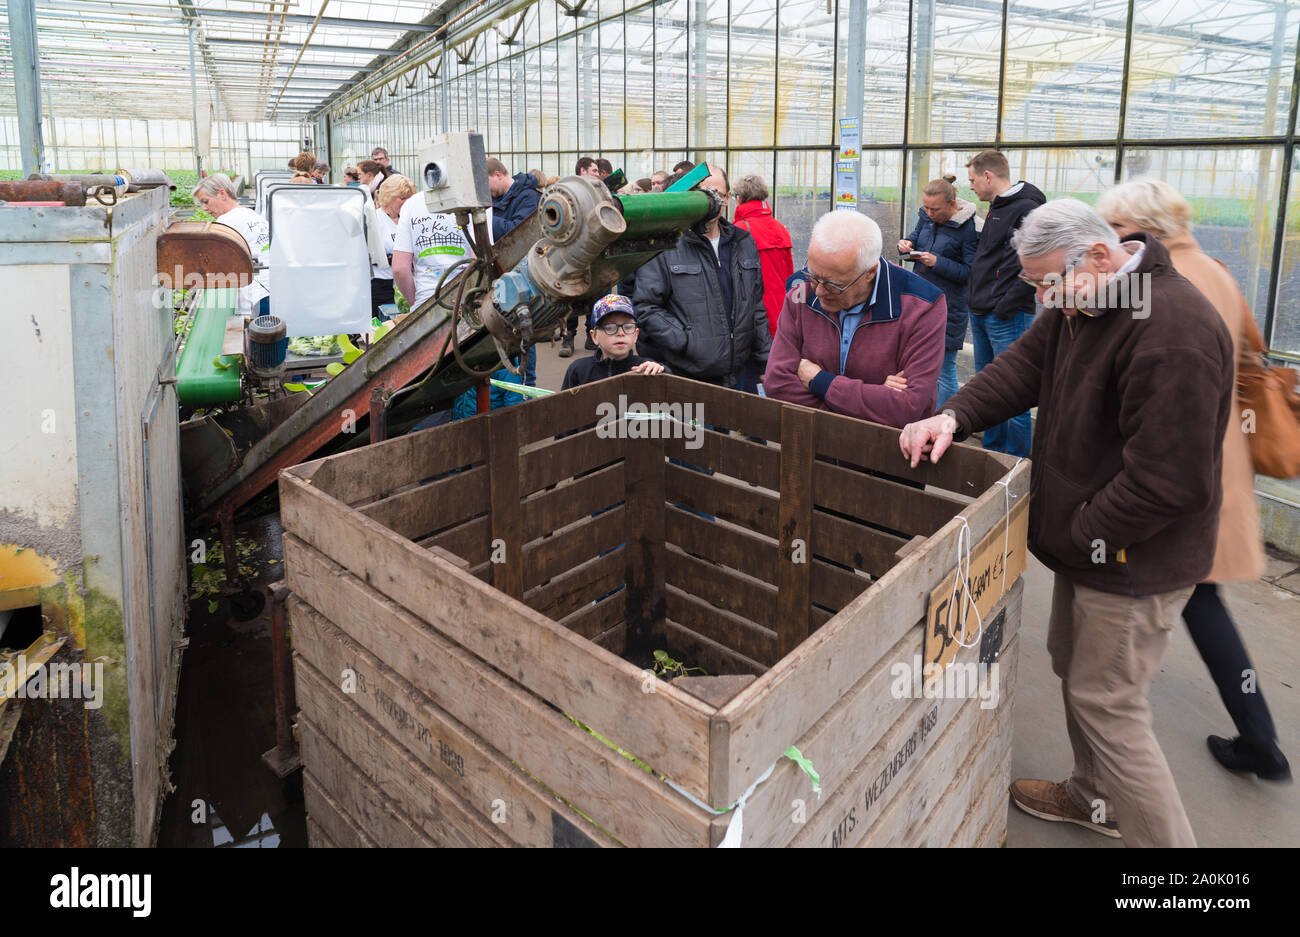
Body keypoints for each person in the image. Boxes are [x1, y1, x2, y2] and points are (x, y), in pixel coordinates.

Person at [899, 198, 1235, 847]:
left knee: (1109, 704)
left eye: (1051, 283)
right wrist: (954, 414)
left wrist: (1080, 533)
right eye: (1038, 287)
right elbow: (1025, 365)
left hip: (1135, 559)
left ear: (1103, 255)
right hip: (1091, 548)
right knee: (1076, 668)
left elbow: (1170, 481)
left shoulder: (1172, 330)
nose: (1045, 298)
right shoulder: (1086, 299)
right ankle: (1091, 794)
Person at [1097, 178, 1291, 782]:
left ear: (1139, 228)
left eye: (1113, 228)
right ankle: (1259, 738)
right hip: (1222, 455)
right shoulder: (1217, 270)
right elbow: (1251, 352)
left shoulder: (1157, 285)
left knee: (1167, 596)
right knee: (1202, 597)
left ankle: (1112, 744)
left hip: (1182, 464)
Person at [764, 210, 944, 426]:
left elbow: (908, 408)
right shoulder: (800, 290)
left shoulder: (922, 305)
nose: (819, 291)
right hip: (811, 451)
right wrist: (870, 403)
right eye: (813, 275)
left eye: (834, 285)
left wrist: (820, 381)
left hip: (879, 456)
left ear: (870, 272)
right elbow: (777, 383)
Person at [633, 164, 770, 389]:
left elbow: (755, 306)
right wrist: (687, 341)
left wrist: (767, 360)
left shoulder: (743, 242)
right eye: (704, 193)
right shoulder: (666, 246)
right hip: (686, 375)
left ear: (727, 198)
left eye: (718, 194)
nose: (712, 200)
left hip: (736, 374)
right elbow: (646, 306)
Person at [964, 149, 1045, 457]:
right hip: (983, 310)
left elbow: (1028, 266)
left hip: (1004, 315)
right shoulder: (998, 206)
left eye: (973, 180)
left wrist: (1002, 306)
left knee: (1012, 391)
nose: (970, 187)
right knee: (987, 388)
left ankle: (1014, 464)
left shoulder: (1027, 209)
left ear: (988, 176)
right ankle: (991, 453)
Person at [899, 174, 981, 408]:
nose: (929, 213)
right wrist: (905, 244)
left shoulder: (969, 229)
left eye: (935, 209)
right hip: (918, 302)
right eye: (925, 207)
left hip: (948, 307)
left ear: (952, 204)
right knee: (916, 365)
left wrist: (937, 262)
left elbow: (970, 272)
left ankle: (945, 419)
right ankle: (921, 414)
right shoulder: (926, 218)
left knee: (944, 370)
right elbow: (913, 241)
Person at [390, 182, 473, 311]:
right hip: (468, 298)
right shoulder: (474, 198)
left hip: (427, 300)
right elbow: (481, 258)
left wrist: (417, 305)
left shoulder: (412, 204)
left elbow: (399, 269)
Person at [732, 174, 794, 338]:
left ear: (739, 199)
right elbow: (789, 275)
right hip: (781, 308)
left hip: (754, 311)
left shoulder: (740, 229)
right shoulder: (780, 228)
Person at [561, 294, 666, 389]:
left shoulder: (645, 368)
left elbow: (670, 395)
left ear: (636, 335)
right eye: (610, 327)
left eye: (628, 327)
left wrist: (662, 371)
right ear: (594, 336)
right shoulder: (579, 370)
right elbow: (562, 406)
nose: (620, 333)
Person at [372, 175, 416, 320]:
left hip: (408, 283)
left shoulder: (409, 219)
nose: (406, 202)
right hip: (382, 285)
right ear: (389, 197)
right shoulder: (375, 219)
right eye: (402, 198)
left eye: (409, 198)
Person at [486, 157, 541, 243]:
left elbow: (519, 233)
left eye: (486, 182)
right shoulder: (491, 197)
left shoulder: (529, 197)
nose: (484, 188)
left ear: (498, 175)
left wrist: (486, 219)